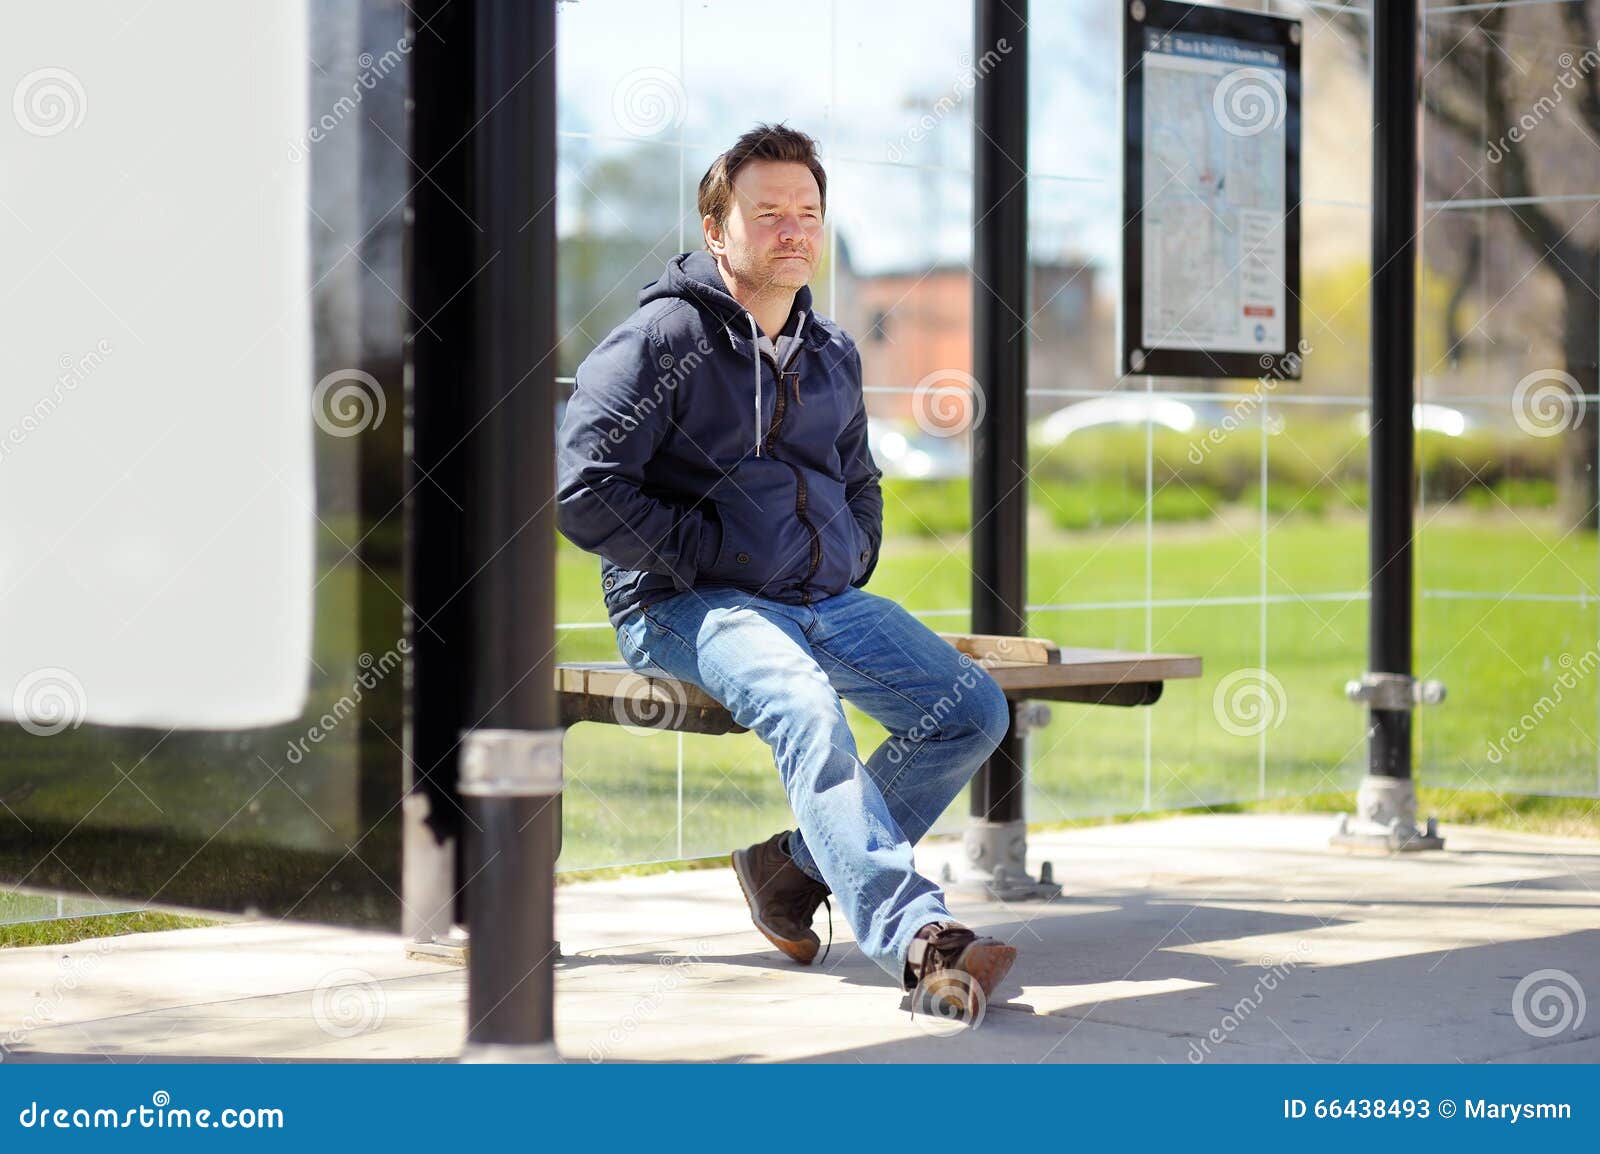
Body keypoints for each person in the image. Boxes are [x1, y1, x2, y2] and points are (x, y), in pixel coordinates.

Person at [556, 122, 1016, 1006]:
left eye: (807, 212)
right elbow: (585, 488)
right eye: (768, 213)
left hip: (819, 598)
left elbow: (859, 477)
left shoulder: (833, 352)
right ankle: (917, 939)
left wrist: (852, 552)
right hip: (686, 604)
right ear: (717, 227)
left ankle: (790, 870)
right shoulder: (660, 340)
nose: (793, 229)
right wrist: (713, 552)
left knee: (971, 710)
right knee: (806, 706)